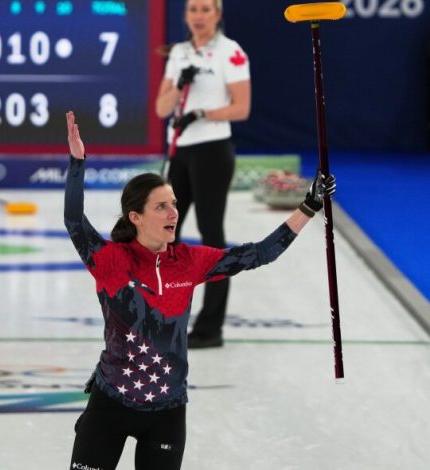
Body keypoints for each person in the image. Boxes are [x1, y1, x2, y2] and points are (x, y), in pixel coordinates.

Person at [64, 111, 334, 470]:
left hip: (167, 411)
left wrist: (310, 205)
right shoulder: (111, 260)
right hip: (111, 403)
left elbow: (259, 254)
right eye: (161, 206)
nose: (173, 212)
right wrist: (77, 162)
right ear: (136, 217)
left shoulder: (190, 260)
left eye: (174, 203)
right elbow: (74, 220)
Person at [154, 0, 251, 348]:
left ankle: (210, 328)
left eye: (205, 9)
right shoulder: (179, 52)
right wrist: (179, 86)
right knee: (165, 235)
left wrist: (202, 113)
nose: (198, 15)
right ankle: (168, 315)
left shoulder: (231, 52)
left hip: (212, 150)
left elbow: (242, 107)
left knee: (211, 236)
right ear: (185, 15)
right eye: (193, 9)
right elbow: (161, 107)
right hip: (178, 151)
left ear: (217, 14)